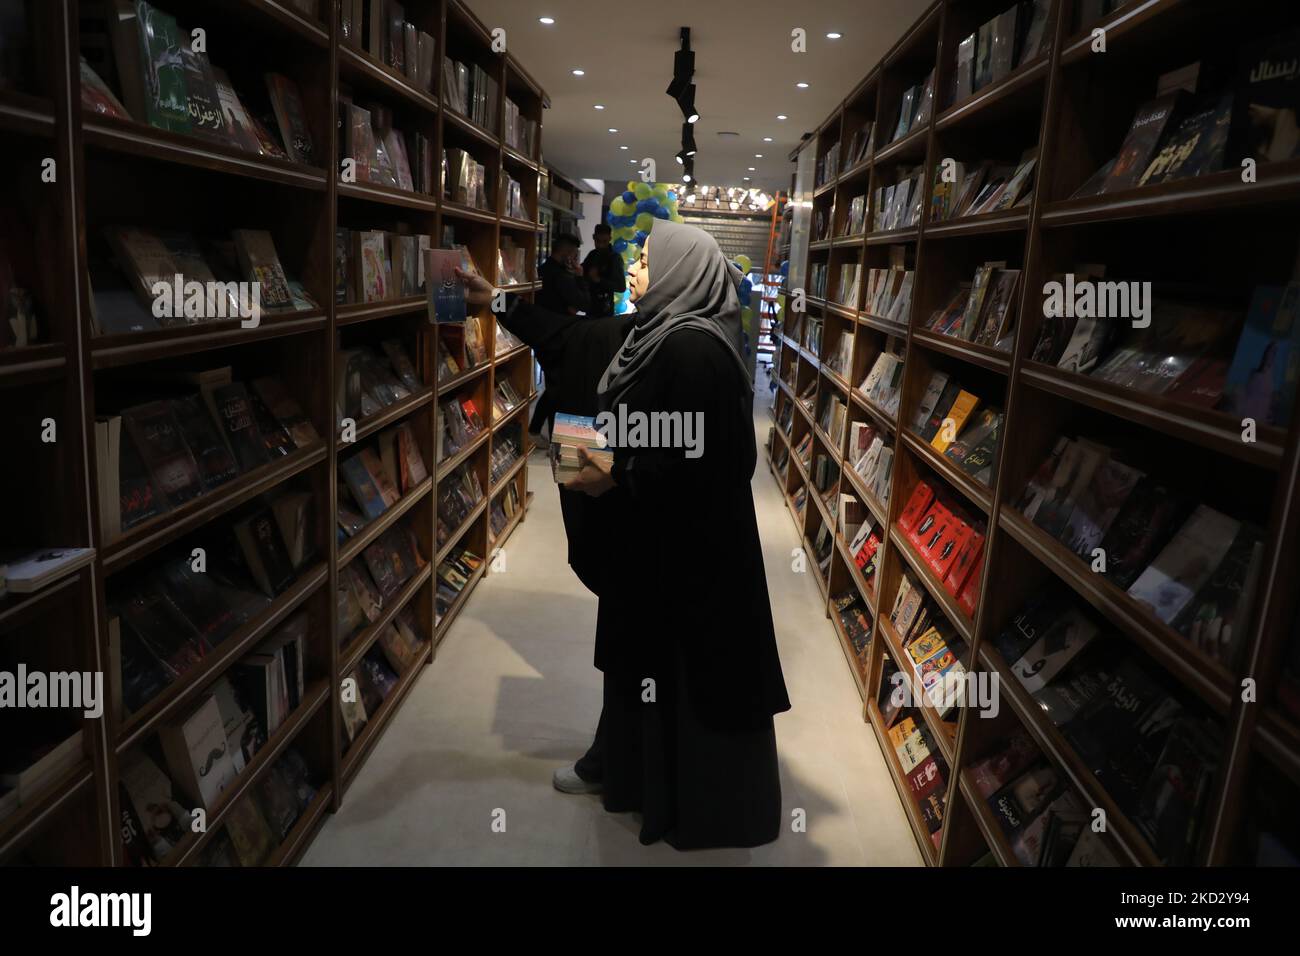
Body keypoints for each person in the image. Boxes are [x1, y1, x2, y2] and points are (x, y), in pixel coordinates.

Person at [459, 220, 790, 850]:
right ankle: (618, 765)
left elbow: (708, 461)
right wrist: (492, 300)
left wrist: (620, 471)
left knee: (665, 670)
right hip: (657, 552)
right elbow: (571, 338)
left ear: (679, 272)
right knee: (633, 658)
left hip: (689, 568)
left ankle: (660, 789)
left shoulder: (695, 351)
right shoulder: (656, 334)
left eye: (646, 257)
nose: (633, 267)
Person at [536, 233, 590, 316]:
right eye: (574, 255)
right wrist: (579, 277)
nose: (574, 260)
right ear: (567, 253)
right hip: (559, 324)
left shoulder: (541, 269)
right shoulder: (563, 277)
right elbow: (585, 304)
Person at [581, 223, 627, 318]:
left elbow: (621, 287)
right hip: (590, 307)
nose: (601, 245)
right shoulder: (592, 254)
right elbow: (582, 273)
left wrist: (599, 280)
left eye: (604, 241)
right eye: (598, 241)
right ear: (593, 237)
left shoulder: (615, 258)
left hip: (605, 309)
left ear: (610, 239)